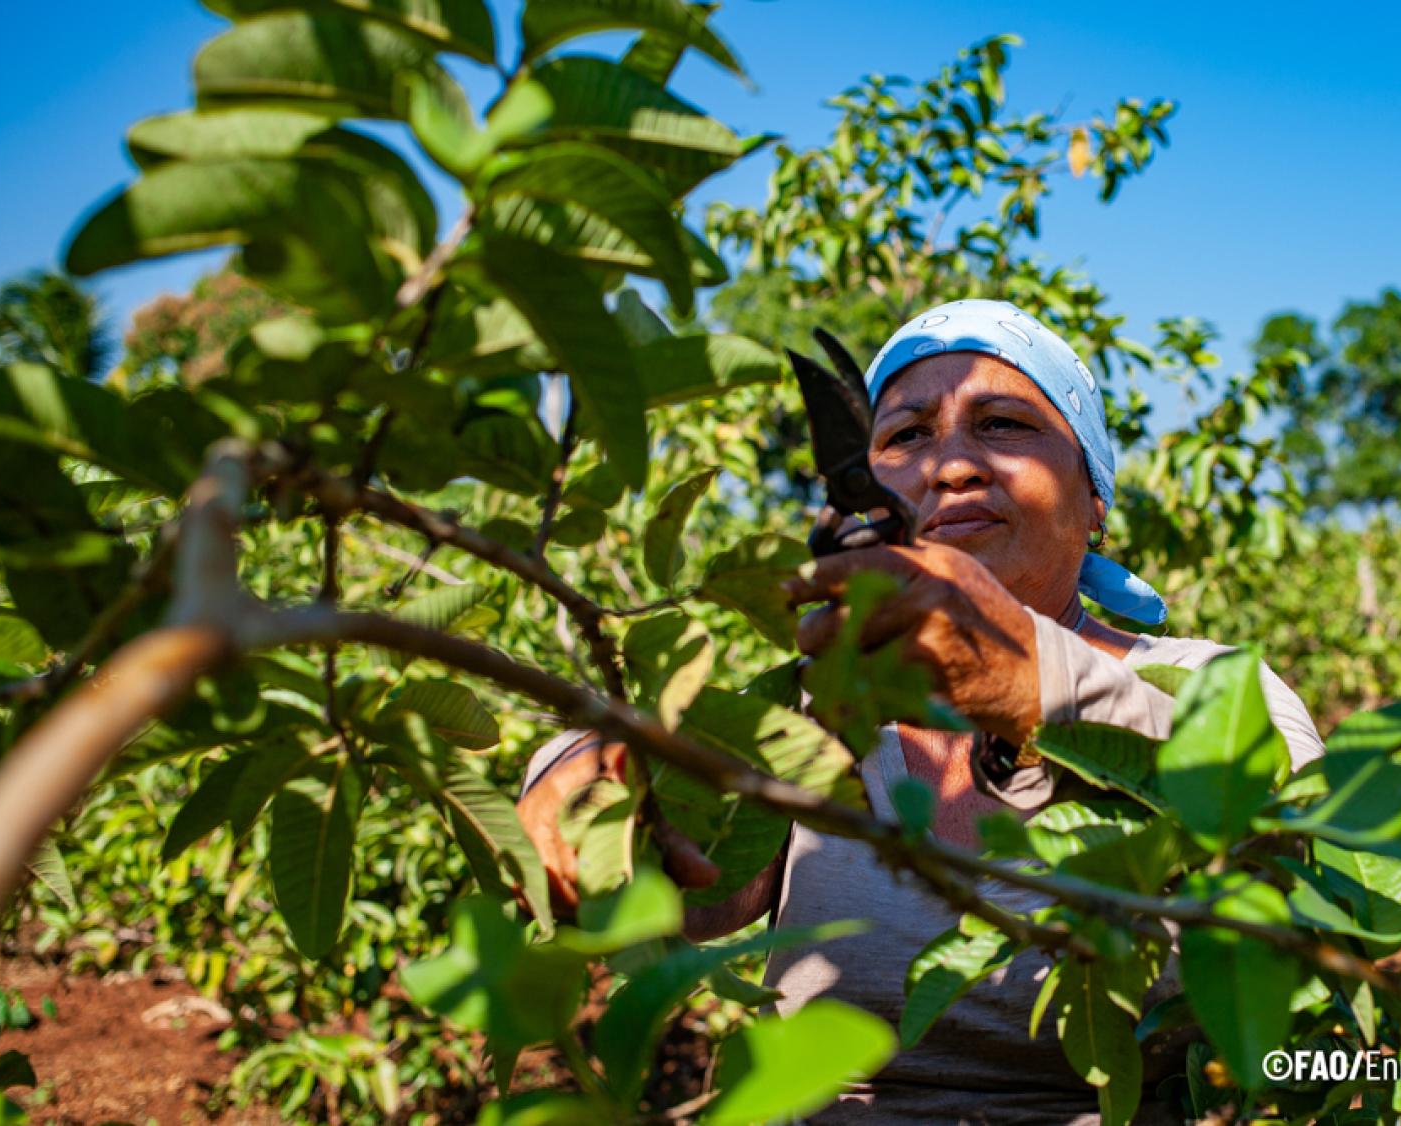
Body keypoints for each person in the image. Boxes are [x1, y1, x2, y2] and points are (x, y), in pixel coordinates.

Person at [516, 298, 1325, 1123]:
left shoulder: (1208, 686)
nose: (951, 465)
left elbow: (1323, 878)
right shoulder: (816, 712)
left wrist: (1033, 680)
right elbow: (695, 888)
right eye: (904, 435)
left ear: (1095, 501)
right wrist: (588, 777)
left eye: (1005, 423)